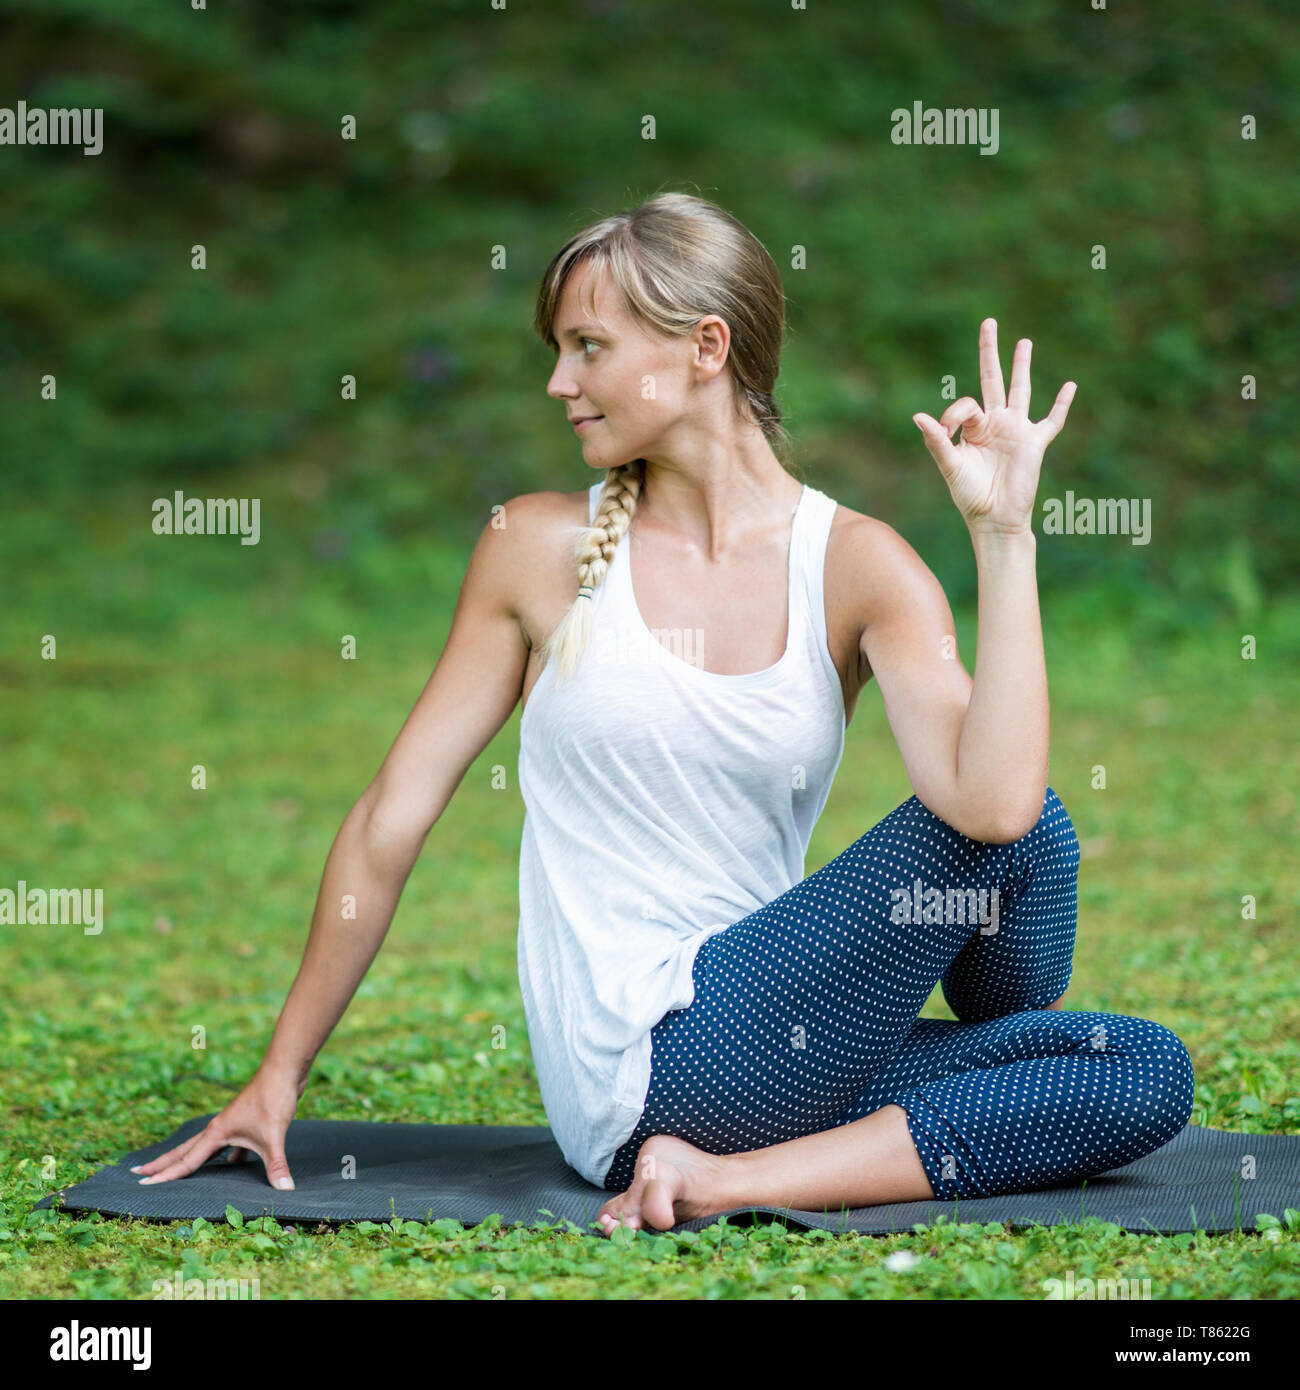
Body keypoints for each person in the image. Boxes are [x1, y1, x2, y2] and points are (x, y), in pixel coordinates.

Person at [130, 192, 1195, 1238]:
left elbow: (992, 806)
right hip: (651, 1056)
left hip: (794, 1045)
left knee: (1142, 1067)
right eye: (558, 350)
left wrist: (1004, 535)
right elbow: (387, 819)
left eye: (588, 346)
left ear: (704, 347)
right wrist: (279, 1075)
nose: (559, 382)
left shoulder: (856, 564)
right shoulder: (537, 547)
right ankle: (716, 1159)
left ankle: (731, 1179)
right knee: (1032, 822)